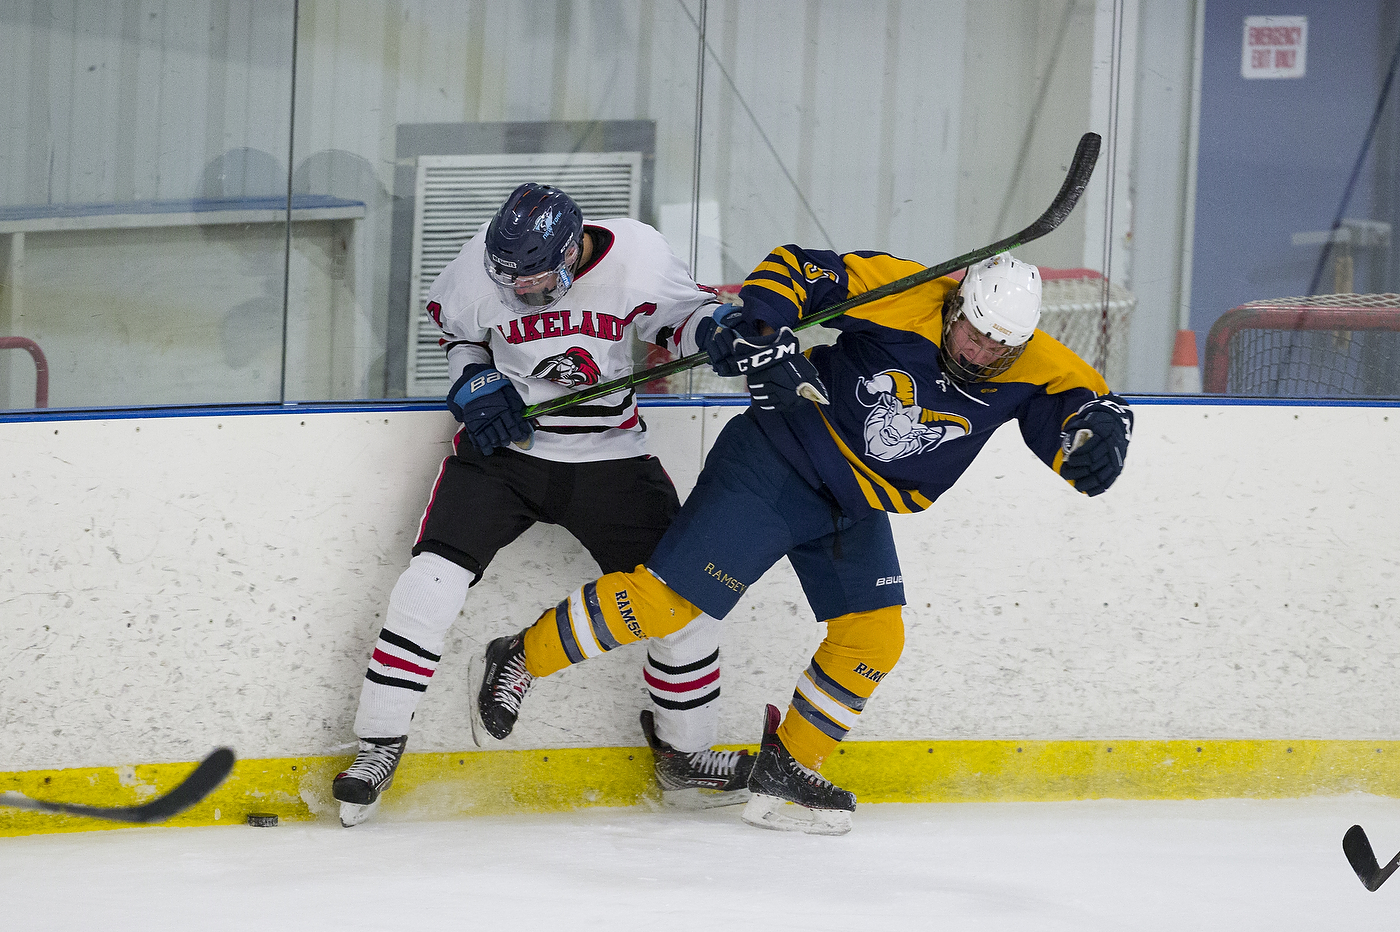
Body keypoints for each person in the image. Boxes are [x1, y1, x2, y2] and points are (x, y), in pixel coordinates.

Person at [471, 246, 1134, 835]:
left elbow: (1085, 408)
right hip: (779, 461)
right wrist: (764, 330)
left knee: (875, 637)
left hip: (856, 503)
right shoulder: (910, 292)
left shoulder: (1032, 360)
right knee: (665, 605)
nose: (982, 352)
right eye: (974, 332)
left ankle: (785, 769)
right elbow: (796, 270)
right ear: (957, 305)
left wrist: (1094, 442)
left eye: (1000, 346)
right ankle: (518, 657)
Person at [333, 183, 753, 826]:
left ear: (571, 250)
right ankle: (378, 744)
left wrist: (717, 329)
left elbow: (681, 317)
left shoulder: (636, 254)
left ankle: (685, 755)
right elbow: (460, 337)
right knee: (428, 589)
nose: (523, 294)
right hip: (506, 457)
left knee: (683, 605)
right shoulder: (478, 265)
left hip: (611, 457)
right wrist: (474, 381)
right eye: (514, 285)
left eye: (537, 281)